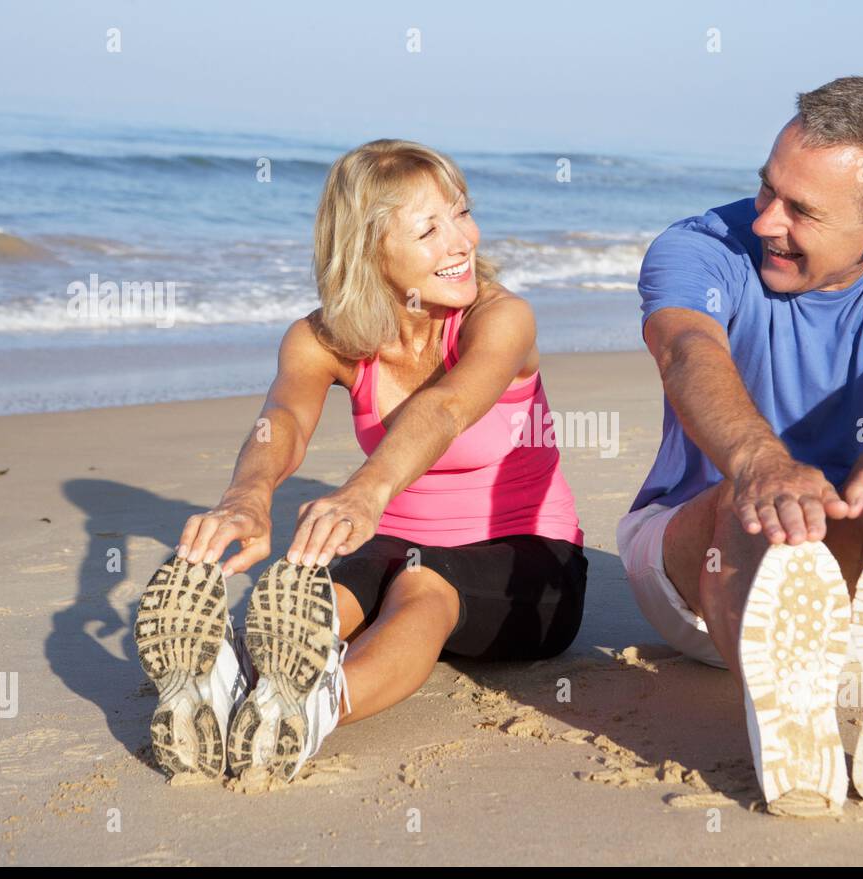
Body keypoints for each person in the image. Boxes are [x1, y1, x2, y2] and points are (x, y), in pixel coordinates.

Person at [134, 139, 587, 783]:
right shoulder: (324, 338)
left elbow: (450, 407)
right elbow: (284, 419)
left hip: (531, 571)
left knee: (423, 581)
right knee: (316, 586)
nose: (462, 240)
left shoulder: (502, 318)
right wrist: (249, 495)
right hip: (393, 545)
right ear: (369, 250)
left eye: (462, 213)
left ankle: (313, 709)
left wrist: (366, 491)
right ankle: (232, 683)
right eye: (430, 229)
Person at [619, 77, 863, 815]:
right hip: (697, 566)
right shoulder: (698, 247)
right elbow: (685, 350)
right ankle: (790, 720)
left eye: (801, 210)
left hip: (854, 562)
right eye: (767, 190)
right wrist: (757, 462)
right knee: (751, 503)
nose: (767, 220)